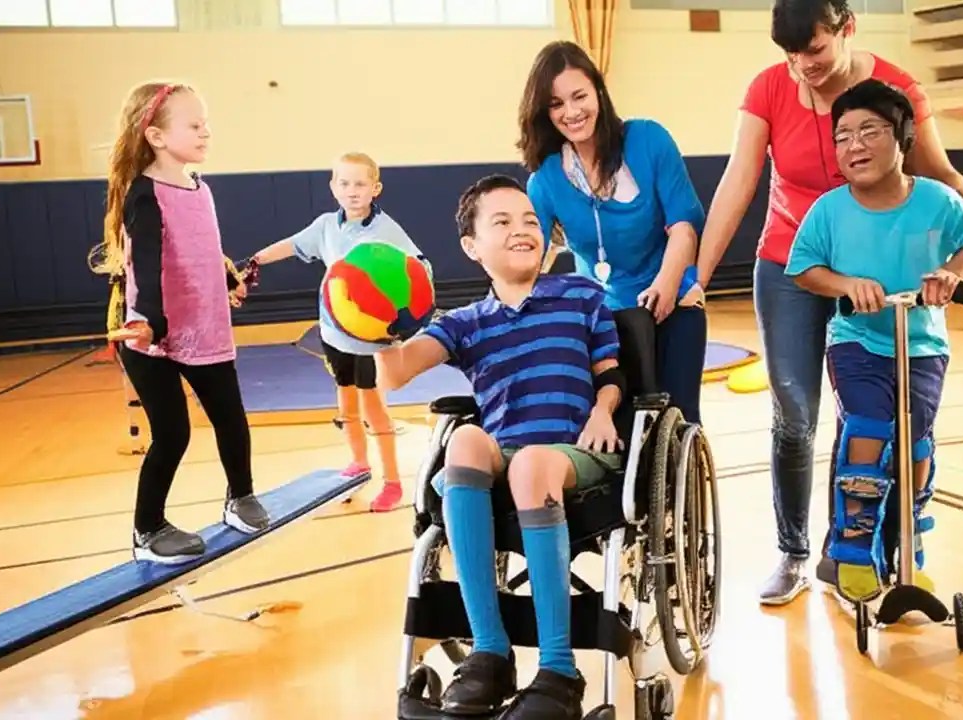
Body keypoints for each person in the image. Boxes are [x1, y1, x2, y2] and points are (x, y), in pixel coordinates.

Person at [694, 0, 963, 605]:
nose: (803, 65)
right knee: (796, 413)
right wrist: (697, 277)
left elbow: (937, 170)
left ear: (847, 28)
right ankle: (794, 551)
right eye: (791, 53)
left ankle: (848, 550)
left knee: (867, 416)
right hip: (792, 263)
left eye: (816, 50)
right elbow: (738, 181)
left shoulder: (894, 89)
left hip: (879, 271)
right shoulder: (770, 90)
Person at [376, 174, 622, 718]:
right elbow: (395, 375)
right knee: (463, 440)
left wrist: (604, 410)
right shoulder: (464, 324)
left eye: (530, 221)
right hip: (506, 453)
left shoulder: (581, 295)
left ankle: (559, 667)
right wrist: (376, 328)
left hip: (575, 451)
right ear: (472, 247)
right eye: (503, 222)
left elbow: (611, 373)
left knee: (533, 463)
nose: (522, 230)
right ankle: (490, 653)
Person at [785, 79, 963, 601]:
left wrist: (951, 273)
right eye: (842, 136)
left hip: (922, 344)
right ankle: (853, 552)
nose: (853, 145)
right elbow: (802, 268)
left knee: (916, 443)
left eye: (869, 131)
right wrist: (844, 285)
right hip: (856, 340)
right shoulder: (830, 210)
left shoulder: (937, 200)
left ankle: (905, 551)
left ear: (902, 137)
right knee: (866, 429)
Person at [89, 81, 270, 564]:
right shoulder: (145, 195)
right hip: (152, 336)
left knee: (232, 419)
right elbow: (146, 264)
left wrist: (227, 278)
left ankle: (240, 496)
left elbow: (201, 250)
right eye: (194, 125)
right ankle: (147, 530)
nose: (206, 132)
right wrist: (149, 320)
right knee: (173, 434)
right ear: (156, 136)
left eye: (205, 122)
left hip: (204, 329)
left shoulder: (198, 186)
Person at [518, 40, 707, 424]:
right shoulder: (545, 180)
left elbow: (684, 227)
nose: (571, 112)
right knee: (616, 427)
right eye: (556, 104)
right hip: (604, 320)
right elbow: (527, 260)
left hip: (672, 301)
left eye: (579, 96)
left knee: (678, 418)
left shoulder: (648, 140)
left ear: (598, 92)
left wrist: (667, 286)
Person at [248, 152, 415, 513]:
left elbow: (416, 267)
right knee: (346, 405)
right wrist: (255, 260)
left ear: (376, 188)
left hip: (370, 338)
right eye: (344, 183)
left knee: (374, 406)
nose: (352, 190)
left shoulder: (386, 230)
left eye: (360, 183)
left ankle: (392, 482)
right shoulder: (326, 225)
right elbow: (292, 245)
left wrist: (404, 315)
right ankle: (359, 464)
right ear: (332, 187)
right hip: (333, 331)